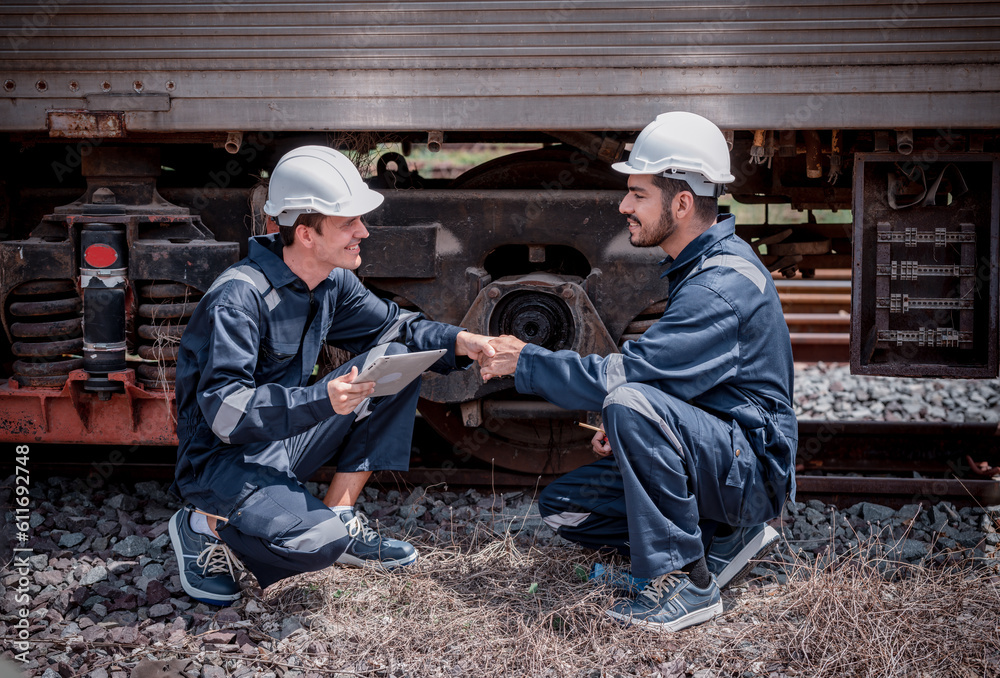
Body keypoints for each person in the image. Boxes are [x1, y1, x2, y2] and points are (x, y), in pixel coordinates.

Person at [479, 112, 797, 632]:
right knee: (566, 507)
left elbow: (628, 377)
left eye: (638, 194)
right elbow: (683, 379)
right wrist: (639, 431)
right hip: (725, 453)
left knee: (627, 401)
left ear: (682, 203)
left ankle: (685, 584)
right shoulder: (702, 263)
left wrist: (525, 361)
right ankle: (724, 537)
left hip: (750, 472)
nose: (623, 205)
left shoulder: (719, 286)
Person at [168, 146, 495, 605]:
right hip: (223, 463)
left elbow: (395, 327)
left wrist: (465, 342)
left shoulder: (331, 281)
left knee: (398, 356)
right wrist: (322, 400)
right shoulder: (238, 300)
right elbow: (225, 414)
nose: (363, 232)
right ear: (305, 233)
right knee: (317, 544)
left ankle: (339, 511)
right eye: (348, 223)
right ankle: (203, 525)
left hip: (282, 441)